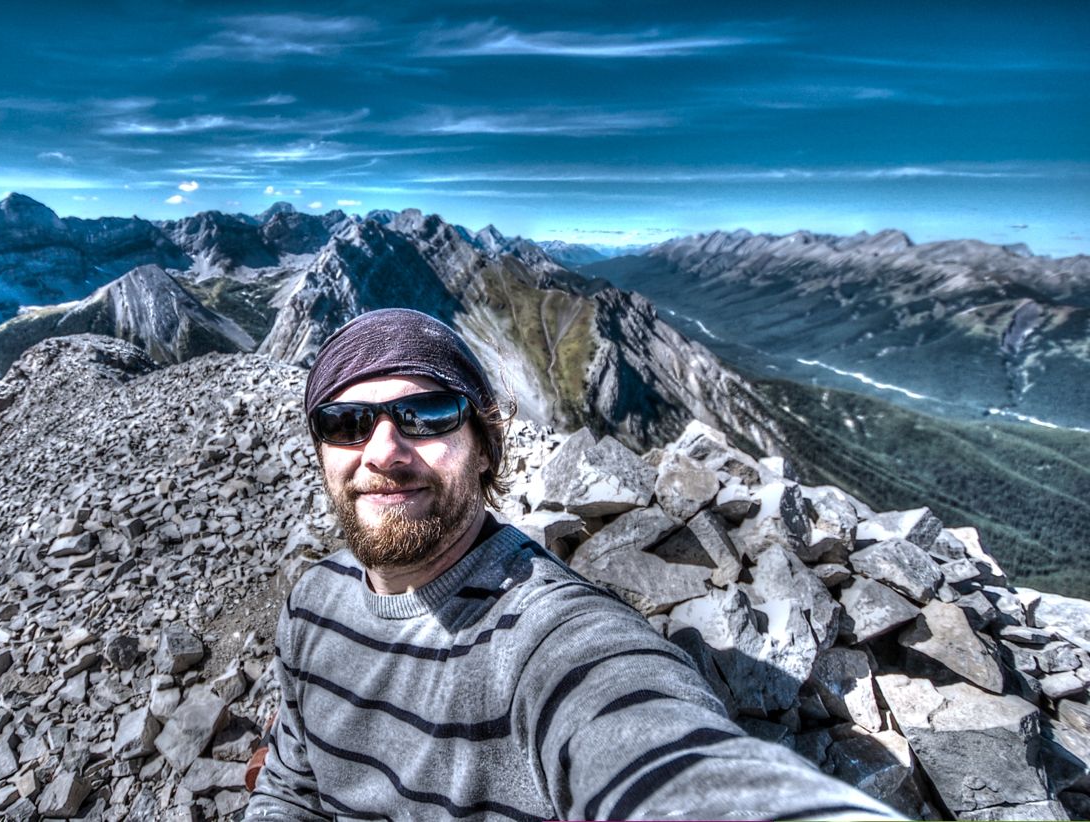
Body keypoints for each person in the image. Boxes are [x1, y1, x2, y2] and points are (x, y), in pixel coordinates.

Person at [245, 308, 898, 821]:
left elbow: (652, 739)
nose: (383, 450)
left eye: (426, 415)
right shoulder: (311, 603)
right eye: (348, 422)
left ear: (484, 451)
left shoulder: (550, 636)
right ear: (323, 449)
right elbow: (291, 788)